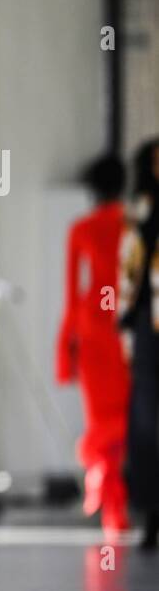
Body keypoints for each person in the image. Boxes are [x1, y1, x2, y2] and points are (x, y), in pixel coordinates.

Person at [56, 155, 130, 538]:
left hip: (92, 333)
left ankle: (107, 491)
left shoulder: (82, 229)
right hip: (125, 330)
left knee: (102, 419)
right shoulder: (132, 225)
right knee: (123, 418)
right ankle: (112, 498)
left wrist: (63, 352)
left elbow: (72, 297)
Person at [118, 138, 159, 550]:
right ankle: (149, 511)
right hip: (147, 325)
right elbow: (125, 270)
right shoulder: (139, 210)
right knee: (146, 420)